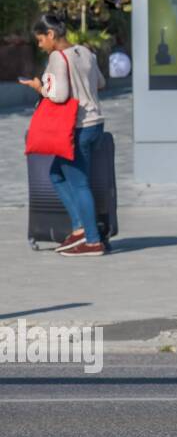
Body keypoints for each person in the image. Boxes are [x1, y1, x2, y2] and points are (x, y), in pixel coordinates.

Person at [18, 14, 109, 256]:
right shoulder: (85, 51)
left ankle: (92, 241)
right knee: (57, 174)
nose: (40, 45)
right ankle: (80, 228)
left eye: (40, 40)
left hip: (78, 127)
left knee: (79, 184)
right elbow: (100, 82)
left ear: (50, 35)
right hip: (96, 123)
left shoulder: (57, 57)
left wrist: (39, 87)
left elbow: (59, 95)